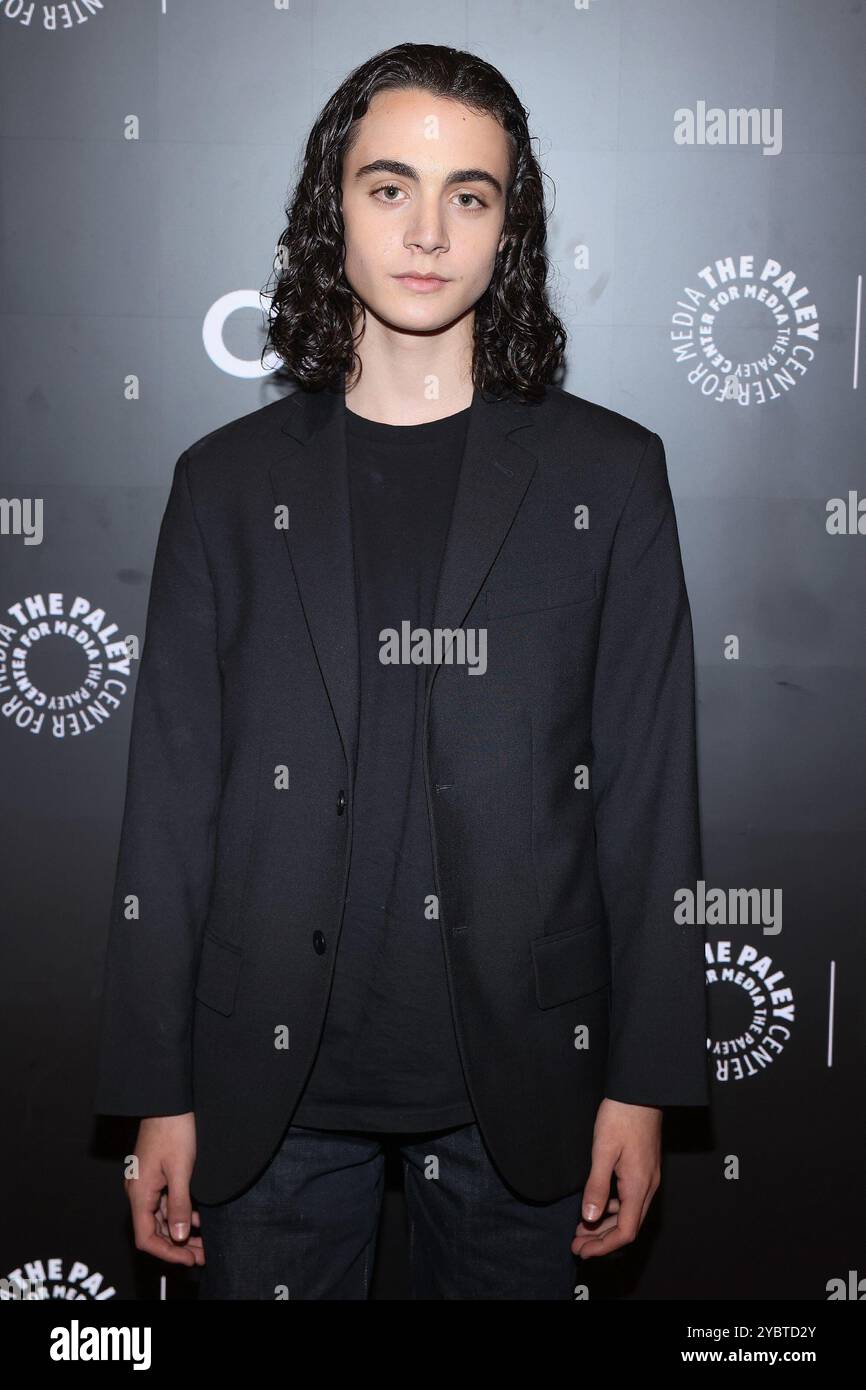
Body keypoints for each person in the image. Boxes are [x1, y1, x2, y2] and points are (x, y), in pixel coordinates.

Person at [93, 41, 710, 1300]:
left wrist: (643, 1080)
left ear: (508, 226)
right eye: (389, 187)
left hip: (525, 1087)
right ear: (335, 206)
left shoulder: (609, 475)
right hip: (264, 1088)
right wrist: (156, 1091)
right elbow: (167, 807)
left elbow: (650, 804)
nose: (427, 231)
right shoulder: (224, 484)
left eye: (467, 196)